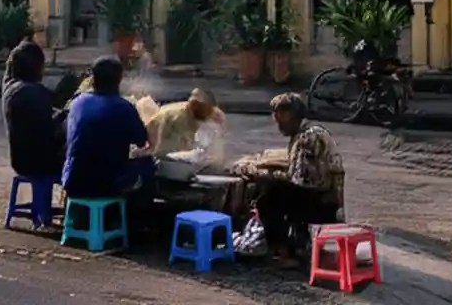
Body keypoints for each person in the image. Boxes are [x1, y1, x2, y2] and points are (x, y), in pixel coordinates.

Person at [248, 93, 345, 268]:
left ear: (293, 115)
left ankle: (283, 252)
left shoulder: (308, 138)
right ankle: (295, 246)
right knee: (276, 189)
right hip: (321, 197)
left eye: (281, 117)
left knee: (269, 194)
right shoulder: (306, 133)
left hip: (324, 204)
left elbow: (302, 181)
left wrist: (263, 175)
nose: (278, 123)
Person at [62, 55, 151, 199]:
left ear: (93, 79)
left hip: (72, 182)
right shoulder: (124, 107)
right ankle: (137, 212)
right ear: (119, 79)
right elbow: (142, 141)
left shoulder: (77, 103)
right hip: (108, 186)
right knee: (148, 164)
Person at [1, 40, 64, 180]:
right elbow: (49, 132)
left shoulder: (11, 87)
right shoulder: (32, 92)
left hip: (20, 162)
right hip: (39, 164)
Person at [145, 88, 225, 158]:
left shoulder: (194, 113)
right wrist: (153, 148)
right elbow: (157, 129)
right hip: (158, 139)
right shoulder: (178, 116)